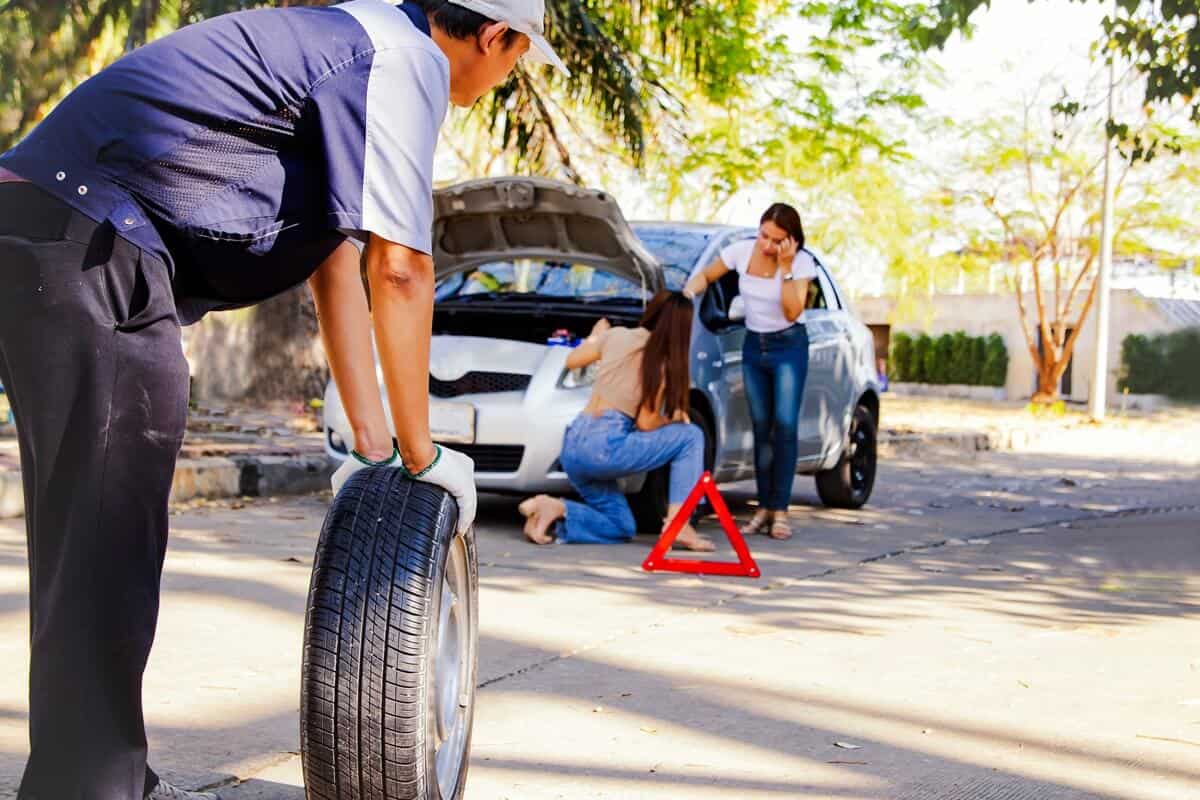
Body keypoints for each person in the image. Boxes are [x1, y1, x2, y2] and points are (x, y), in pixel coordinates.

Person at [0, 1, 566, 798]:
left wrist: (374, 448)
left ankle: (102, 775)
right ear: (490, 35)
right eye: (517, 58)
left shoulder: (354, 39)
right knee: (106, 537)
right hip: (94, 238)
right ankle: (88, 787)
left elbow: (336, 262)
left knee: (96, 540)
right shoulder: (403, 62)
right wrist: (424, 454)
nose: (511, 75)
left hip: (63, 229)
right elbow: (398, 271)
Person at [518, 291, 716, 551]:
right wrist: (672, 420)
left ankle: (554, 510)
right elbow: (646, 423)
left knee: (621, 526)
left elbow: (572, 359)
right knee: (691, 437)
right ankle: (679, 523)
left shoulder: (618, 335)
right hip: (604, 448)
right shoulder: (661, 361)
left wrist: (597, 337)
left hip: (573, 446)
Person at [684, 203, 816, 540]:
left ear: (791, 240)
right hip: (754, 347)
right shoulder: (741, 252)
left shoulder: (801, 263)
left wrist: (785, 268)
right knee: (761, 429)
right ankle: (763, 508)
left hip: (789, 347)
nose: (767, 245)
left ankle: (781, 510)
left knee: (784, 427)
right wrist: (684, 295)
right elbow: (706, 276)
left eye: (777, 240)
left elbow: (791, 312)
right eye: (764, 235)